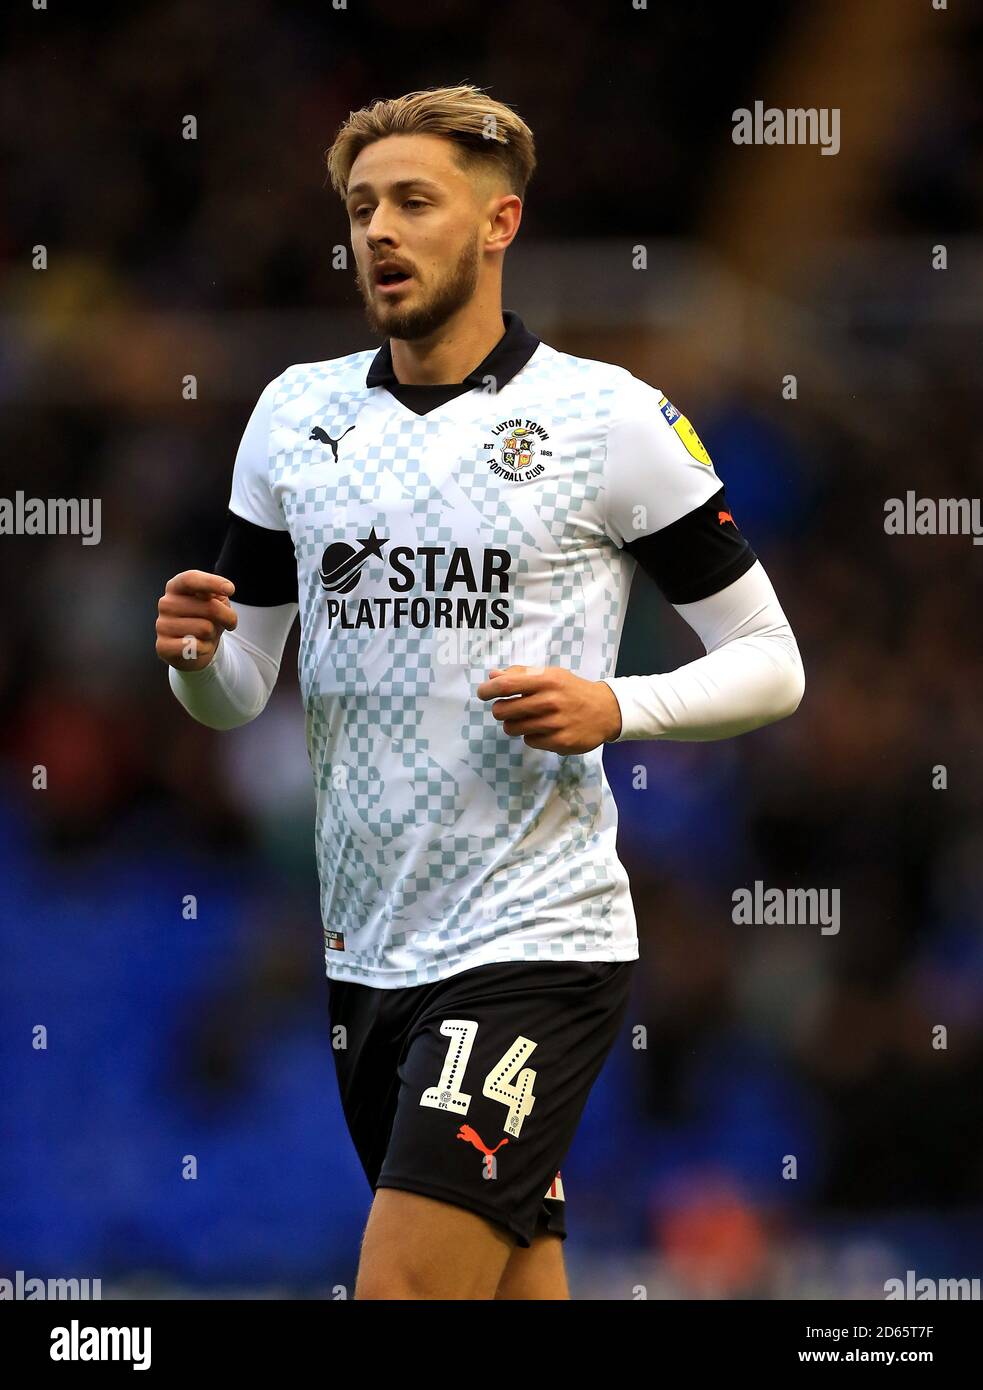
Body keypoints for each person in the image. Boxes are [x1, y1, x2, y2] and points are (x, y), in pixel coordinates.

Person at [155, 84, 805, 1300]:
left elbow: (771, 660)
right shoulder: (294, 416)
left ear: (498, 223)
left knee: (401, 1289)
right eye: (360, 209)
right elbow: (242, 690)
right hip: (366, 949)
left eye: (414, 202)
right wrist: (199, 661)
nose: (379, 232)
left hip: (534, 939)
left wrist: (618, 705)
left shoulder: (606, 419)